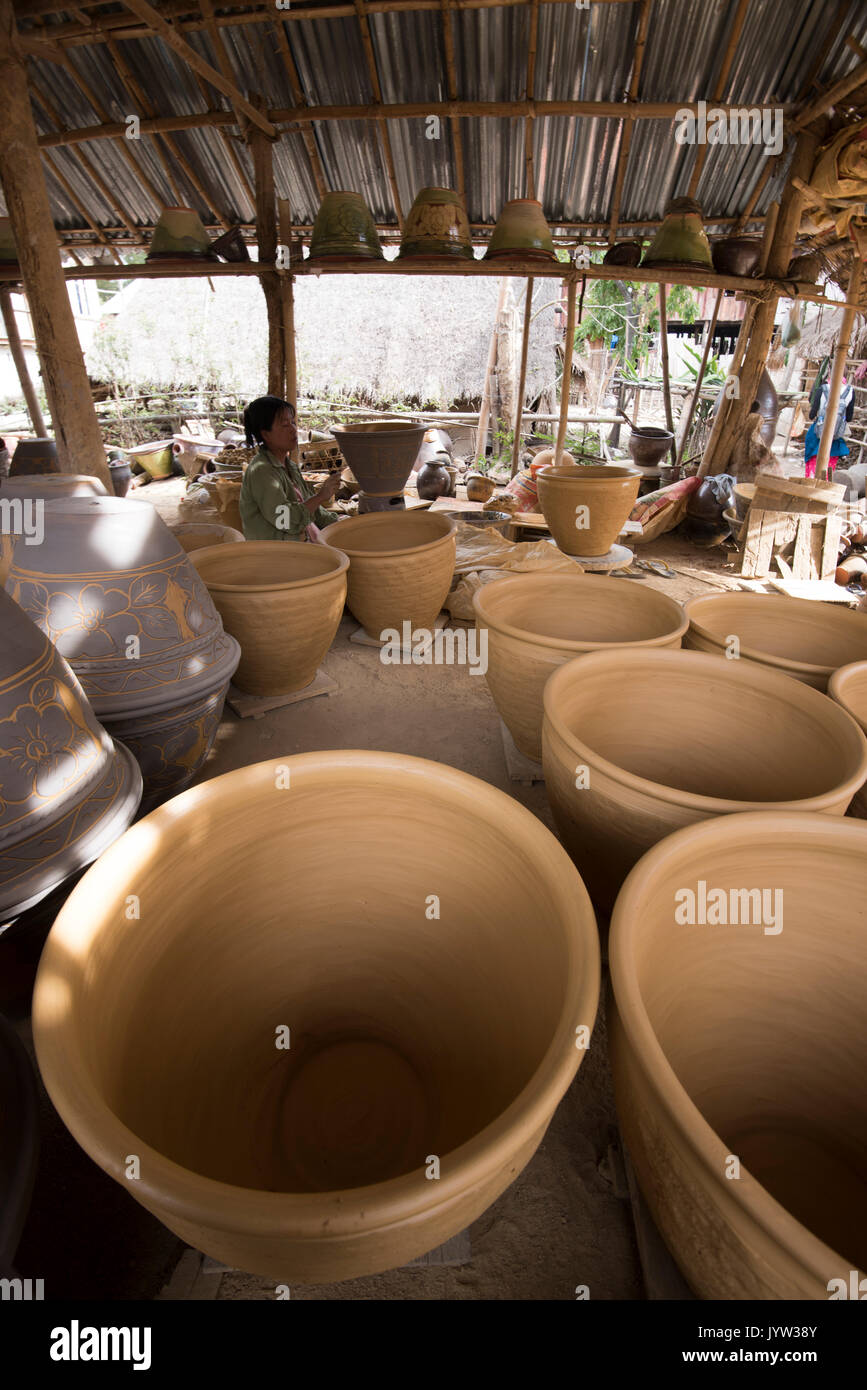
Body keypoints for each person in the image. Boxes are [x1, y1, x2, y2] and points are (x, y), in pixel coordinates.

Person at [239, 396, 341, 541]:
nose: (293, 429)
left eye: (293, 422)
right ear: (266, 434)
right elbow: (284, 520)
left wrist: (339, 522)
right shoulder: (261, 471)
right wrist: (320, 496)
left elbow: (313, 510)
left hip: (302, 544)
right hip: (278, 554)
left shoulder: (290, 467)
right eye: (285, 425)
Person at [804, 377, 855, 479]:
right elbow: (849, 418)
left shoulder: (822, 389)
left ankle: (810, 484)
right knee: (828, 469)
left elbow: (812, 415)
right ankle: (824, 486)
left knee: (814, 465)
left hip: (818, 433)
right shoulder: (850, 391)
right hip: (836, 435)